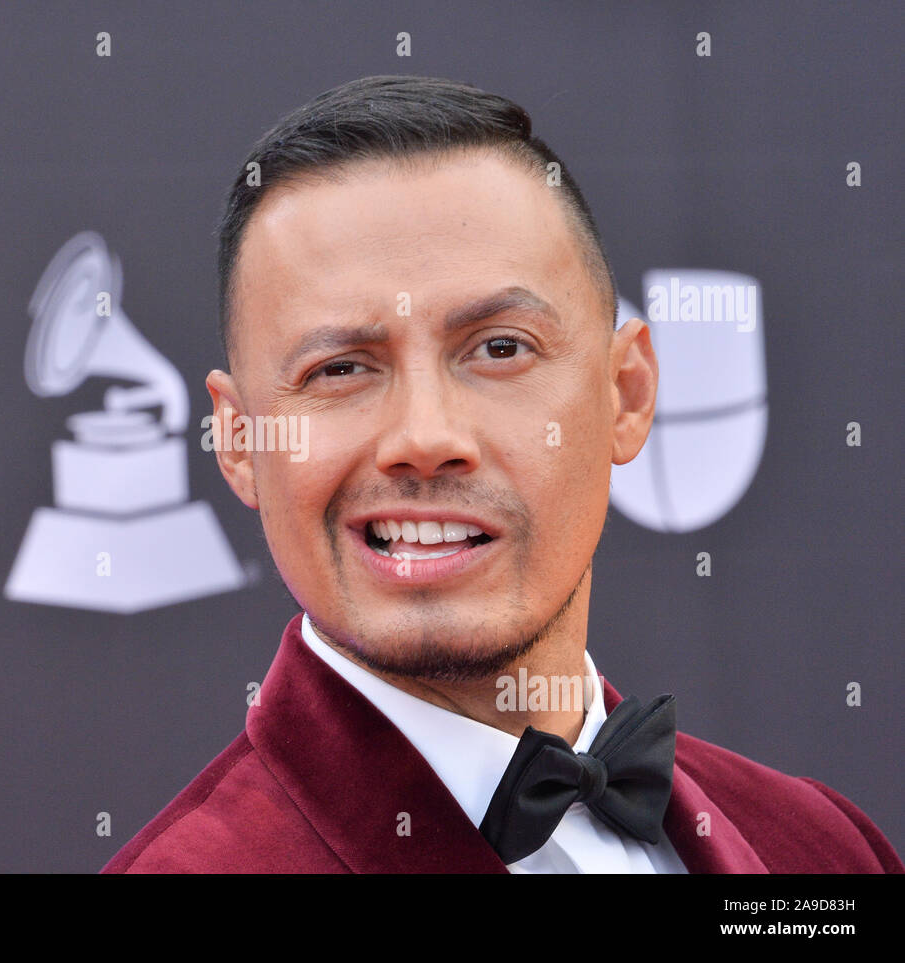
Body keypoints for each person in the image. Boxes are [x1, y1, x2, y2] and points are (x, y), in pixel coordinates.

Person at [102, 75, 902, 873]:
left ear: (626, 394)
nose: (424, 437)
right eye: (342, 368)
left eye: (499, 348)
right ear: (239, 440)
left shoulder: (825, 849)